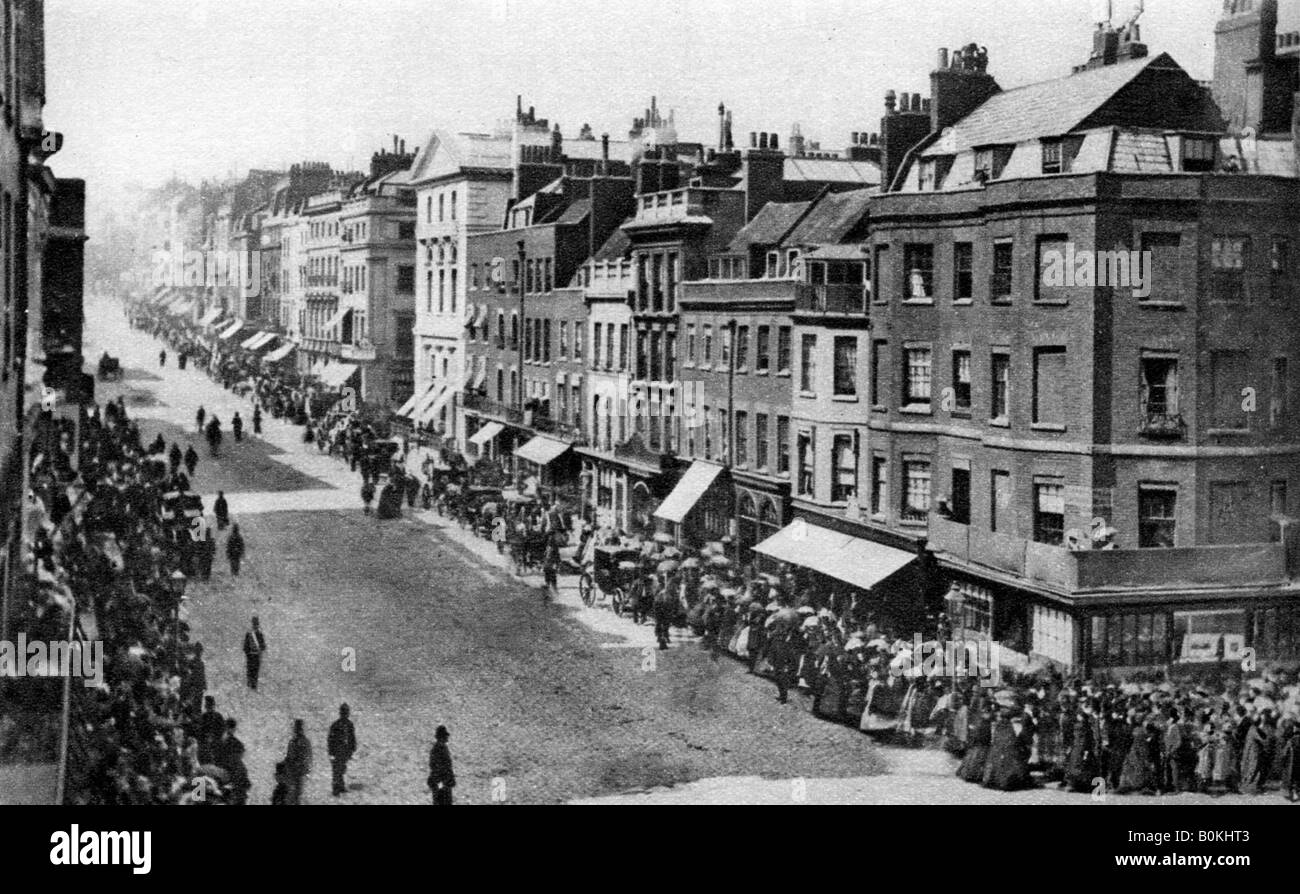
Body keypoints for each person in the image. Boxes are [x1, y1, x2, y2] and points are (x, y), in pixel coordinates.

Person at [327, 704, 357, 797]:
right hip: (338, 750)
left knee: (341, 768)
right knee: (337, 770)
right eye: (344, 712)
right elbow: (330, 739)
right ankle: (336, 788)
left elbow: (352, 737)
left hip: (344, 750)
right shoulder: (337, 725)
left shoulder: (348, 724)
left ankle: (340, 786)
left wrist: (352, 748)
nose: (345, 714)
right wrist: (331, 751)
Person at [283, 719, 313, 805]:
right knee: (294, 794)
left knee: (296, 794)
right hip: (296, 771)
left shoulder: (298, 741)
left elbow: (307, 757)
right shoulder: (295, 741)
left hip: (297, 771)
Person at [427, 725, 455, 805]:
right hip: (441, 783)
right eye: (445, 736)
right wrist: (441, 782)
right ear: (441, 737)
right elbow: (436, 766)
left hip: (444, 782)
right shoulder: (438, 749)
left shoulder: (442, 748)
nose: (447, 738)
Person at [242, 616, 266, 690]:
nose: (255, 625)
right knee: (252, 671)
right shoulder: (253, 634)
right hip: (253, 656)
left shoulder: (254, 634)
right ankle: (252, 686)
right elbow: (245, 646)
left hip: (253, 656)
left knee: (252, 671)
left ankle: (252, 686)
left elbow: (263, 646)